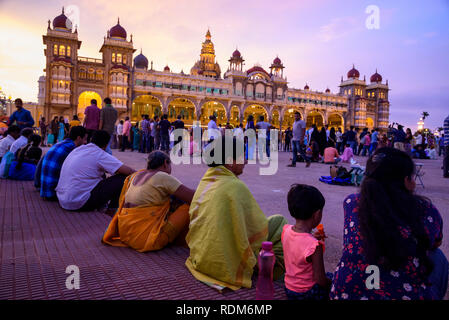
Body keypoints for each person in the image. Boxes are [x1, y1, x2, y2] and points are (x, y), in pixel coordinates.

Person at [331, 148, 448, 300]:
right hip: (404, 293)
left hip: (347, 293)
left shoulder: (352, 203)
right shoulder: (426, 211)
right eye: (412, 177)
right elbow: (435, 243)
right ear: (406, 181)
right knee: (438, 257)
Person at [185, 136, 287, 290]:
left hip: (202, 258)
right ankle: (280, 272)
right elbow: (256, 228)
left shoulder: (207, 180)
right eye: (242, 156)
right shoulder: (235, 186)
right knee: (280, 223)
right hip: (224, 265)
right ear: (230, 161)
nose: (245, 161)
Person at [102, 151, 195, 252]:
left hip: (126, 235)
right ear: (165, 163)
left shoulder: (136, 175)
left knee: (170, 201)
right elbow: (192, 197)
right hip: (146, 241)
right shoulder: (162, 177)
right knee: (188, 207)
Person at [56, 130, 135, 212]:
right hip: (79, 202)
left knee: (102, 175)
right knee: (124, 178)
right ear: (106, 145)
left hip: (63, 199)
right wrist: (144, 175)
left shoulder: (78, 149)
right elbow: (128, 171)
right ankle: (113, 208)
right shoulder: (99, 153)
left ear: (91, 140)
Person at [282, 184, 332, 300]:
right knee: (333, 277)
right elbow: (320, 280)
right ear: (317, 214)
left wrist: (311, 237)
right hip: (307, 293)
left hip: (289, 289)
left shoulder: (286, 230)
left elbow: (298, 245)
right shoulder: (314, 246)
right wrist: (333, 283)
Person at [39, 126, 88, 200]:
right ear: (78, 138)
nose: (86, 142)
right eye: (85, 139)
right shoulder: (72, 148)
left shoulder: (62, 143)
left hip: (45, 190)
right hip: (53, 192)